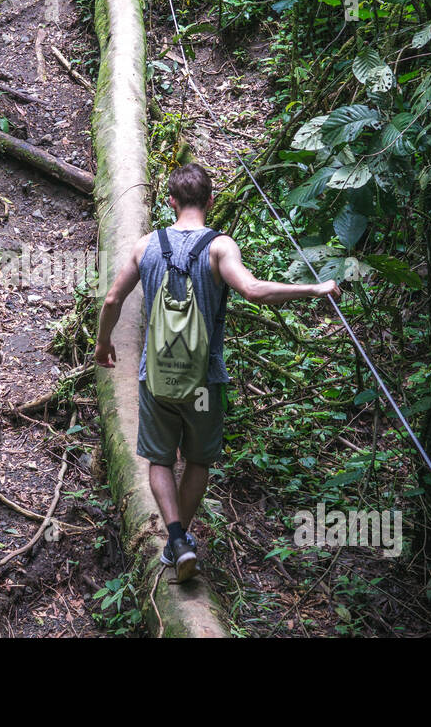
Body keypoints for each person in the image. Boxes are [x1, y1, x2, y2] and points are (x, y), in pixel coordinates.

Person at [93, 163, 341, 581]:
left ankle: (175, 537)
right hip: (205, 383)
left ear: (170, 201)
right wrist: (314, 288)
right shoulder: (219, 247)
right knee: (197, 460)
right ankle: (181, 543)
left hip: (155, 378)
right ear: (210, 201)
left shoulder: (145, 246)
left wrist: (103, 343)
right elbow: (254, 290)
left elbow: (114, 298)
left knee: (158, 458)